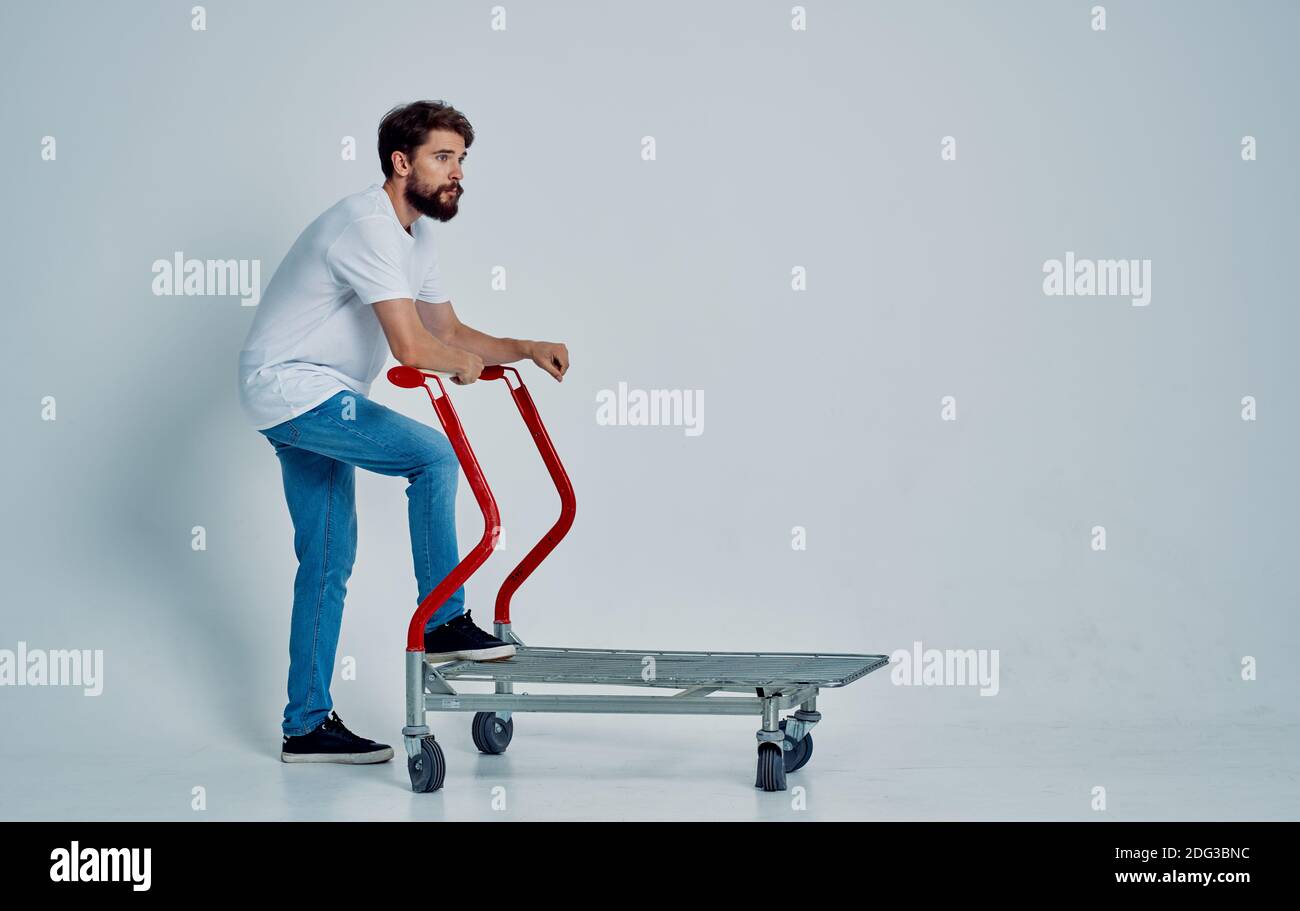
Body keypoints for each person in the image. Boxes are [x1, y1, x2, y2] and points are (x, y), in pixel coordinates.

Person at [237, 100, 569, 764]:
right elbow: (414, 349)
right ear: (400, 162)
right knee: (432, 457)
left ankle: (305, 726)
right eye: (443, 158)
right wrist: (459, 365)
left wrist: (522, 346)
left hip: (314, 396)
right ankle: (444, 620)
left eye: (462, 160)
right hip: (294, 389)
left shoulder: (417, 236)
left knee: (327, 559)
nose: (457, 174)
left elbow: (447, 333)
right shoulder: (366, 225)